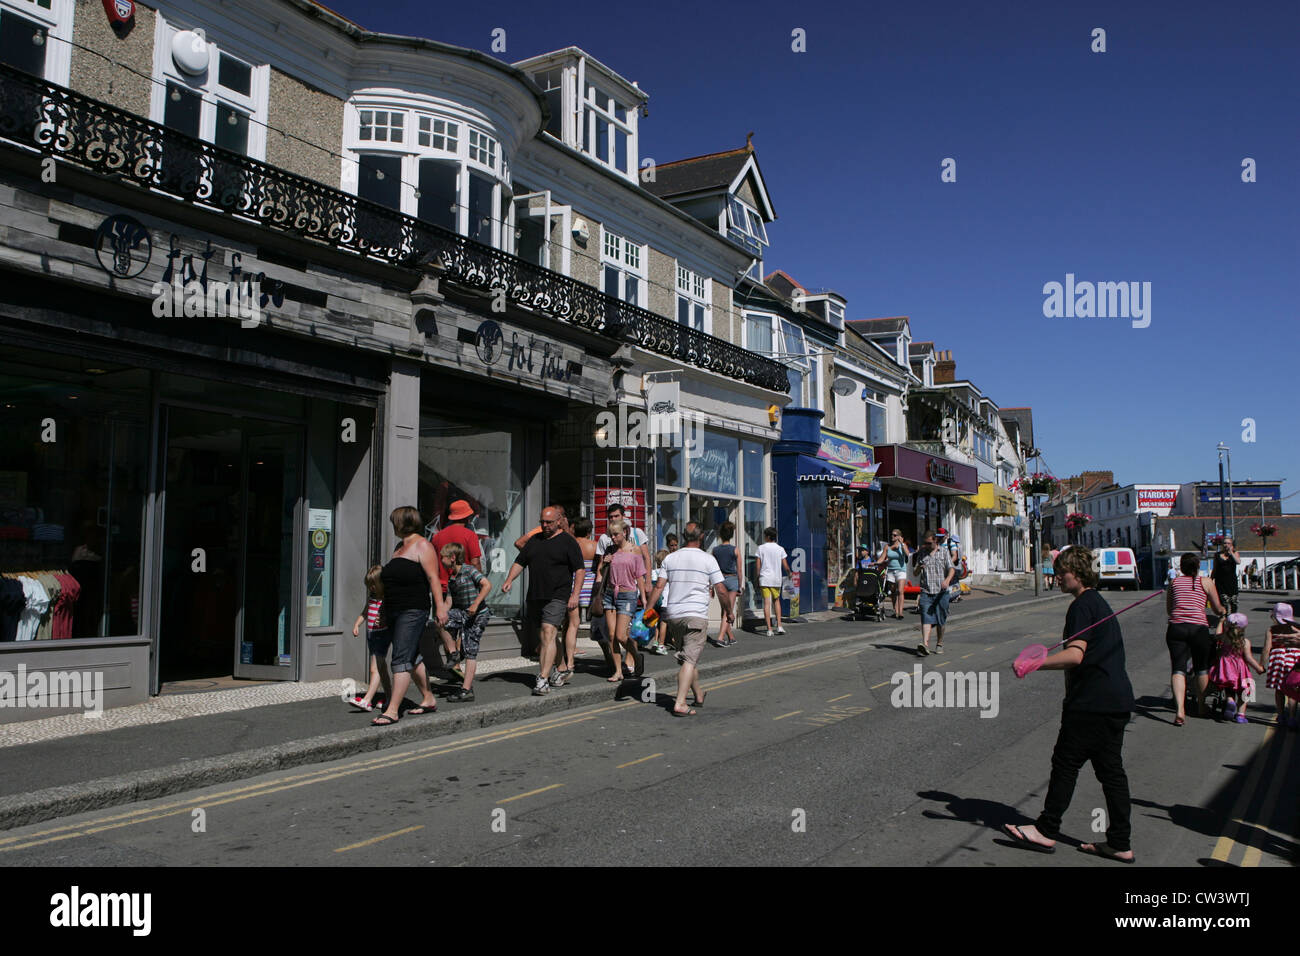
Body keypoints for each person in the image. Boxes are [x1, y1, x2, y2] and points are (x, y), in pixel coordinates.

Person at [1002, 546, 1136, 862]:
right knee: (1112, 773)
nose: (1057, 576)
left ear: (1076, 573)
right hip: (1115, 701)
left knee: (1065, 765)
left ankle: (1046, 831)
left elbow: (1076, 655)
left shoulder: (1082, 606)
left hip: (1091, 703)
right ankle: (1119, 841)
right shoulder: (1098, 603)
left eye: (1062, 571)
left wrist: (1034, 662)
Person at [647, 524, 735, 717]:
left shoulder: (670, 558)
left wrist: (648, 610)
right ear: (702, 536)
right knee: (689, 659)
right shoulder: (708, 559)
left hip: (674, 616)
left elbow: (659, 587)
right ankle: (679, 703)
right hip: (695, 615)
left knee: (688, 658)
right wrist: (729, 611)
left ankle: (699, 695)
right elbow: (720, 590)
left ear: (683, 536)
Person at [373, 506, 447, 726]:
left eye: (394, 521)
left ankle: (393, 710)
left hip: (414, 609)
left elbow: (434, 579)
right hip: (395, 609)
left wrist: (440, 608)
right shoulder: (399, 547)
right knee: (412, 657)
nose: (392, 526)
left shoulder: (423, 545)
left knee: (401, 657)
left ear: (403, 522)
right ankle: (428, 698)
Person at [502, 506, 585, 696]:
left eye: (549, 522)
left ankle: (542, 678)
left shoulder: (568, 542)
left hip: (558, 594)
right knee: (547, 636)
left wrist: (575, 594)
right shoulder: (535, 540)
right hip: (535, 595)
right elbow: (520, 561)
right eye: (542, 522)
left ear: (558, 521)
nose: (545, 526)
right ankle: (562, 668)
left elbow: (579, 569)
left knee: (549, 632)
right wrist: (508, 580)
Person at [1165, 552, 1225, 725]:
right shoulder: (1205, 582)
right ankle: (1201, 706)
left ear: (1181, 567)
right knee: (1201, 667)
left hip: (1176, 628)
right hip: (1198, 629)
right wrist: (1223, 612)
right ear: (1198, 566)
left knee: (1178, 668)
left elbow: (1170, 609)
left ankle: (1180, 710)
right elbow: (1216, 608)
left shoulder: (1174, 582)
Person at [432, 500, 483, 672]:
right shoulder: (470, 535)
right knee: (464, 627)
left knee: (445, 626)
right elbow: (475, 562)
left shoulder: (437, 536)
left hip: (443, 588)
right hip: (465, 590)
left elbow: (433, 564)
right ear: (467, 516)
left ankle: (454, 663)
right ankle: (458, 665)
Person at [597, 519, 649, 682]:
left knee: (621, 636)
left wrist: (644, 597)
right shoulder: (610, 549)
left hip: (627, 595)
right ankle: (618, 671)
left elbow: (639, 575)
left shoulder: (635, 550)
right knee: (612, 636)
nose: (612, 538)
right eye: (610, 535)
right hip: (610, 594)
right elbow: (601, 570)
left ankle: (635, 655)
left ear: (625, 532)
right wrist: (604, 563)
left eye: (616, 534)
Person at [1208, 613, 1265, 723]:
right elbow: (1248, 658)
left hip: (1226, 668)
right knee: (1246, 690)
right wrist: (1259, 668)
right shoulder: (1245, 642)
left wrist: (1220, 622)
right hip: (1240, 669)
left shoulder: (1223, 638)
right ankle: (1241, 715)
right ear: (1244, 628)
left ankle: (1230, 700)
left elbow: (1217, 634)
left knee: (1229, 687)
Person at [348, 564, 391, 713]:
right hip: (372, 636)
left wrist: (384, 619)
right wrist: (356, 624)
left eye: (374, 584)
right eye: (369, 585)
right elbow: (364, 613)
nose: (371, 588)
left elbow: (389, 617)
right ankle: (390, 698)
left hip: (381, 636)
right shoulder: (372, 598)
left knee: (374, 669)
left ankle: (367, 700)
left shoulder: (385, 600)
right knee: (382, 669)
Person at [565, 516, 599, 680]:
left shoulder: (569, 545)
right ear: (589, 531)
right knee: (595, 622)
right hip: (590, 588)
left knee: (572, 625)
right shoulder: (594, 546)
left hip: (571, 586)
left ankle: (569, 661)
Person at [914, 532, 955, 656]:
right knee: (925, 618)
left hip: (941, 593)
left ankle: (939, 643)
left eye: (928, 543)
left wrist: (947, 580)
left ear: (935, 541)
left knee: (941, 620)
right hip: (926, 591)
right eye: (925, 543)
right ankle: (925, 645)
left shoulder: (943, 552)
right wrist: (919, 568)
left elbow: (951, 568)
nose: (926, 545)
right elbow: (915, 573)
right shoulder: (922, 553)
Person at [1262, 603, 1300, 729]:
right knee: (1292, 690)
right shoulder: (1296, 629)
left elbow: (1267, 649)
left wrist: (1261, 664)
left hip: (1278, 660)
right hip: (1293, 660)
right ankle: (1292, 717)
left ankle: (1281, 715)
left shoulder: (1271, 630)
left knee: (1279, 690)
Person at [595, 503, 652, 574]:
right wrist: (599, 582)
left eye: (616, 516)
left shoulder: (637, 532)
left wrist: (648, 581)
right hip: (614, 580)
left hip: (636, 580)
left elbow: (646, 558)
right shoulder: (604, 538)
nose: (613, 519)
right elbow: (601, 563)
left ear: (623, 516)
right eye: (611, 517)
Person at [756, 527, 790, 637]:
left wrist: (758, 577)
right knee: (776, 601)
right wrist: (789, 572)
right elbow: (785, 565)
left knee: (766, 603)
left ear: (767, 536)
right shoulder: (780, 549)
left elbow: (758, 565)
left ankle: (769, 629)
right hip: (776, 579)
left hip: (764, 578)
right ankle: (779, 626)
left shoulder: (761, 548)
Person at [711, 521, 741, 647]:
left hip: (719, 580)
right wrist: (740, 585)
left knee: (724, 609)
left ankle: (731, 637)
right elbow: (739, 569)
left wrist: (711, 586)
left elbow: (712, 569)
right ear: (732, 535)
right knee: (727, 611)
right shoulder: (735, 550)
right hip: (732, 580)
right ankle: (720, 638)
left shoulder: (715, 550)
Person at [877, 529, 910, 620]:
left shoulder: (902, 546)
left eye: (895, 535)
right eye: (892, 535)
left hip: (901, 570)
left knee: (900, 591)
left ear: (899, 536)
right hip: (891, 571)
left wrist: (902, 544)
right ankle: (895, 610)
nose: (893, 536)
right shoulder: (887, 547)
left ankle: (900, 612)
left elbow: (907, 554)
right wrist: (875, 563)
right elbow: (882, 557)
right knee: (893, 591)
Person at [1212, 537, 1240, 616]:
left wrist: (1231, 553)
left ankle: (1234, 620)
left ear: (1231, 545)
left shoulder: (1235, 553)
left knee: (1233, 603)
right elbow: (1214, 569)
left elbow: (1238, 562)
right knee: (1223, 602)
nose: (1226, 545)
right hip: (1220, 582)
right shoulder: (1217, 555)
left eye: (1228, 543)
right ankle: (1224, 619)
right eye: (1224, 543)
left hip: (1232, 582)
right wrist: (1211, 580)